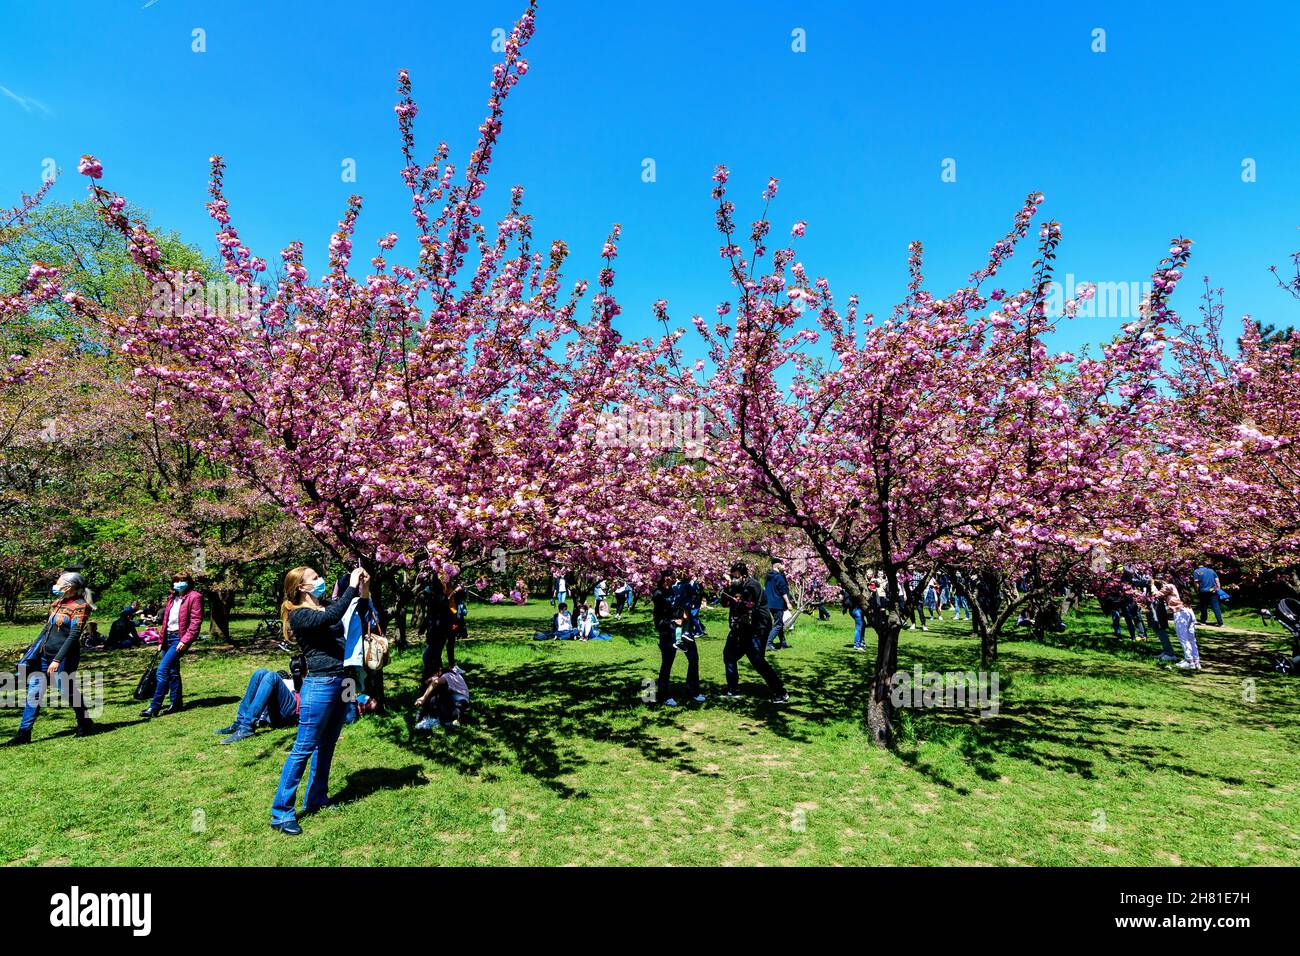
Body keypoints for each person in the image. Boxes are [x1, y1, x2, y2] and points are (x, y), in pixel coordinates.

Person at [270, 564, 369, 836]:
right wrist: (349, 586)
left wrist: (361, 587)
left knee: (327, 744)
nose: (321, 580)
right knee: (303, 748)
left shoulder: (324, 606)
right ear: (301, 587)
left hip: (341, 680)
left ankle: (317, 798)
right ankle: (281, 813)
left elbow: (349, 610)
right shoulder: (299, 615)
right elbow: (333, 615)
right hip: (320, 684)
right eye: (315, 578)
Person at [8, 572, 96, 745]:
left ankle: (84, 721)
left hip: (64, 657)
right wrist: (32, 651)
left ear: (69, 586)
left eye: (59, 582)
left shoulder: (81, 606)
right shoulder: (57, 603)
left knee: (66, 691)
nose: (56, 585)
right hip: (43, 655)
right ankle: (24, 733)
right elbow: (47, 630)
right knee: (34, 692)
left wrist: (57, 660)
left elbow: (73, 636)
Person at [720, 562, 788, 702]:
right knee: (729, 656)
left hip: (758, 628)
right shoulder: (735, 587)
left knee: (757, 660)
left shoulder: (753, 585)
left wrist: (737, 599)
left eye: (735, 577)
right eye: (732, 577)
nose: (733, 579)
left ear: (743, 575)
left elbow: (749, 606)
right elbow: (724, 603)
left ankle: (780, 692)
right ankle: (732, 689)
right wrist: (725, 589)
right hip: (740, 627)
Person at [140, 572, 204, 718]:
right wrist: (161, 640)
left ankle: (154, 706)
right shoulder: (171, 598)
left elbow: (195, 622)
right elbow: (166, 621)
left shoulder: (195, 597)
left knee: (162, 670)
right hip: (167, 637)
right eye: (177, 580)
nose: (179, 583)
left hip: (179, 638)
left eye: (183, 580)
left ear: (188, 582)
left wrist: (185, 640)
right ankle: (176, 703)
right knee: (172, 672)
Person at [215, 658, 305, 744]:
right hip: (280, 712)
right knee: (260, 672)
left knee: (272, 676)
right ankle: (240, 722)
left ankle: (247, 727)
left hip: (291, 714)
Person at [651, 570, 703, 707]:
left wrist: (684, 614)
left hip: (682, 629)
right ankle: (664, 695)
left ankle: (692, 690)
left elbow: (684, 603)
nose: (675, 579)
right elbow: (658, 619)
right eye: (672, 577)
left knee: (693, 658)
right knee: (667, 663)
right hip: (668, 631)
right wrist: (673, 621)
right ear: (665, 578)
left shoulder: (675, 590)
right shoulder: (658, 594)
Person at [414, 664, 470, 731]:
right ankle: (429, 715)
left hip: (458, 705)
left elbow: (435, 682)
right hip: (460, 705)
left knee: (438, 688)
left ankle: (433, 717)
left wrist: (423, 697)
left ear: (438, 672)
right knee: (436, 688)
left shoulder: (447, 675)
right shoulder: (453, 674)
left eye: (434, 674)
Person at [764, 559, 793, 650]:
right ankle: (768, 643)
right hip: (778, 604)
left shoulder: (769, 576)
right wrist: (788, 603)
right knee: (778, 625)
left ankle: (783, 643)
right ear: (777, 566)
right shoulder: (778, 577)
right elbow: (783, 591)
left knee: (779, 622)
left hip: (770, 604)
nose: (784, 566)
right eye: (782, 564)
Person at [1167, 591, 1201, 670]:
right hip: (1189, 611)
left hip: (1181, 613)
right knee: (1192, 639)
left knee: (1183, 638)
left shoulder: (1171, 589)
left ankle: (1189, 660)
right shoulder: (1182, 589)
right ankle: (1196, 661)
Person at [1148, 581, 1179, 662]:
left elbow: (1156, 594)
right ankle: (1166, 651)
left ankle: (1170, 653)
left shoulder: (1168, 586)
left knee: (1160, 629)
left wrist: (1152, 585)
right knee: (1158, 629)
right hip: (1161, 608)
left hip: (1163, 609)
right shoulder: (1167, 585)